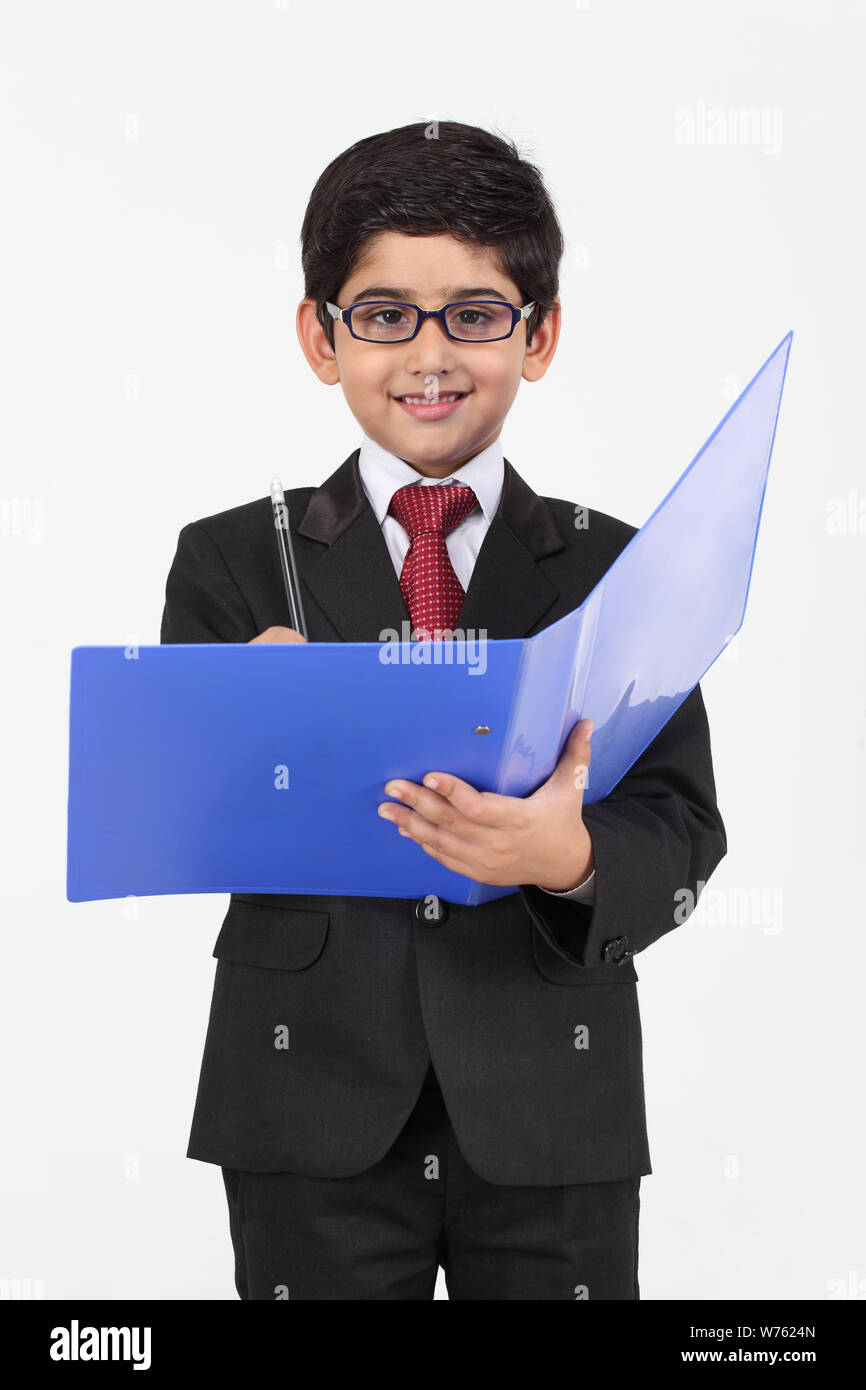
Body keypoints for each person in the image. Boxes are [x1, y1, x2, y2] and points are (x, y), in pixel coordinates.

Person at [160, 120, 727, 1300]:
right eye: (383, 314)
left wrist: (565, 852)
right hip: (307, 1097)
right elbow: (177, 815)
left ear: (541, 333)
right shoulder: (231, 563)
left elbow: (680, 826)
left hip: (546, 1106)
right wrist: (248, 737)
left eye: (474, 313)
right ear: (321, 337)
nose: (430, 353)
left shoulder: (616, 565)